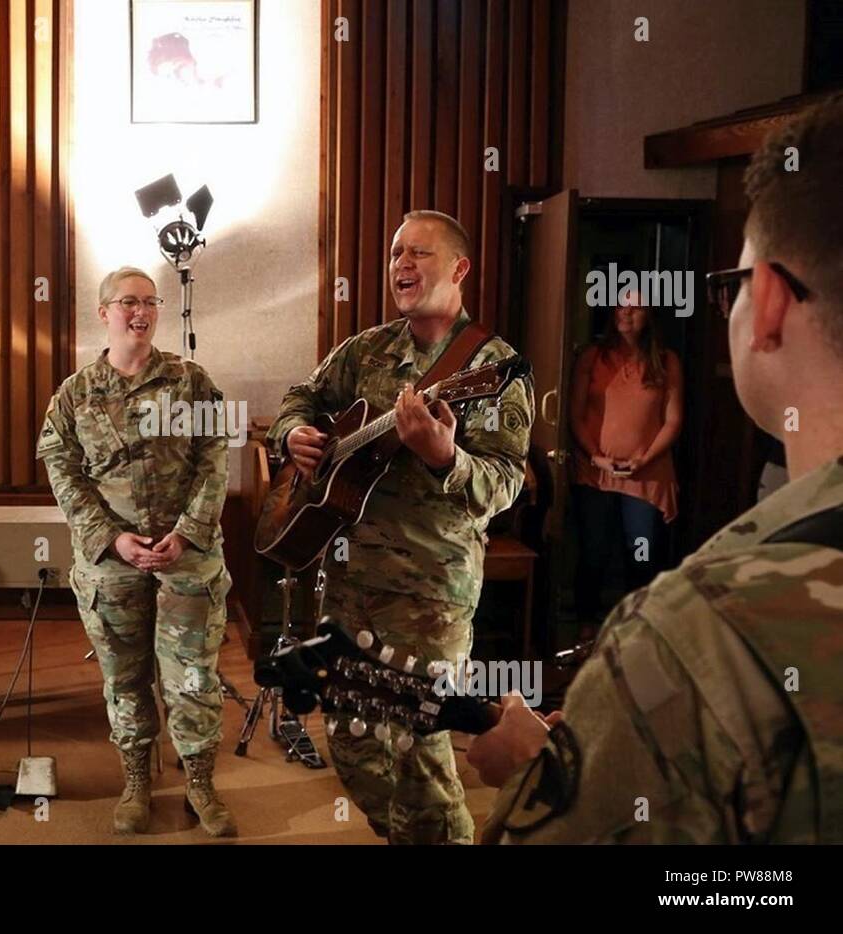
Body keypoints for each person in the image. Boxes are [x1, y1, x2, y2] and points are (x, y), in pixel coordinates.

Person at [467, 92, 843, 844]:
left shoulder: (697, 637)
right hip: (600, 476)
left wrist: (552, 770)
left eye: (730, 286)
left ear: (766, 301)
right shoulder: (591, 359)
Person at [266, 210, 533, 844]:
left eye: (418, 254)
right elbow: (301, 396)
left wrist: (446, 456)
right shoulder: (366, 350)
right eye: (394, 254)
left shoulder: (492, 365)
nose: (401, 266)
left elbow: (504, 483)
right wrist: (294, 434)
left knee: (418, 753)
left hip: (432, 589)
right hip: (351, 577)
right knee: (354, 744)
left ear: (459, 268)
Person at [37, 266, 235, 837]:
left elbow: (214, 458)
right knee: (123, 678)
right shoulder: (74, 395)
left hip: (187, 560)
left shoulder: (191, 382)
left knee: (192, 678)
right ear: (104, 313)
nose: (140, 312)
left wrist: (190, 531)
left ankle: (200, 782)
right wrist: (110, 538)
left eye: (150, 302)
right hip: (112, 564)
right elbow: (64, 474)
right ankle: (136, 781)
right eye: (128, 302)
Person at [569, 294, 682, 636]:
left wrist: (644, 459)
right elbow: (574, 415)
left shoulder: (666, 360)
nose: (625, 312)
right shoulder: (592, 356)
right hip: (596, 473)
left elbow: (673, 421)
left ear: (650, 314)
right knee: (593, 553)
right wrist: (595, 456)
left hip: (644, 476)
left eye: (635, 306)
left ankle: (635, 632)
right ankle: (586, 629)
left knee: (641, 556)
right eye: (620, 304)